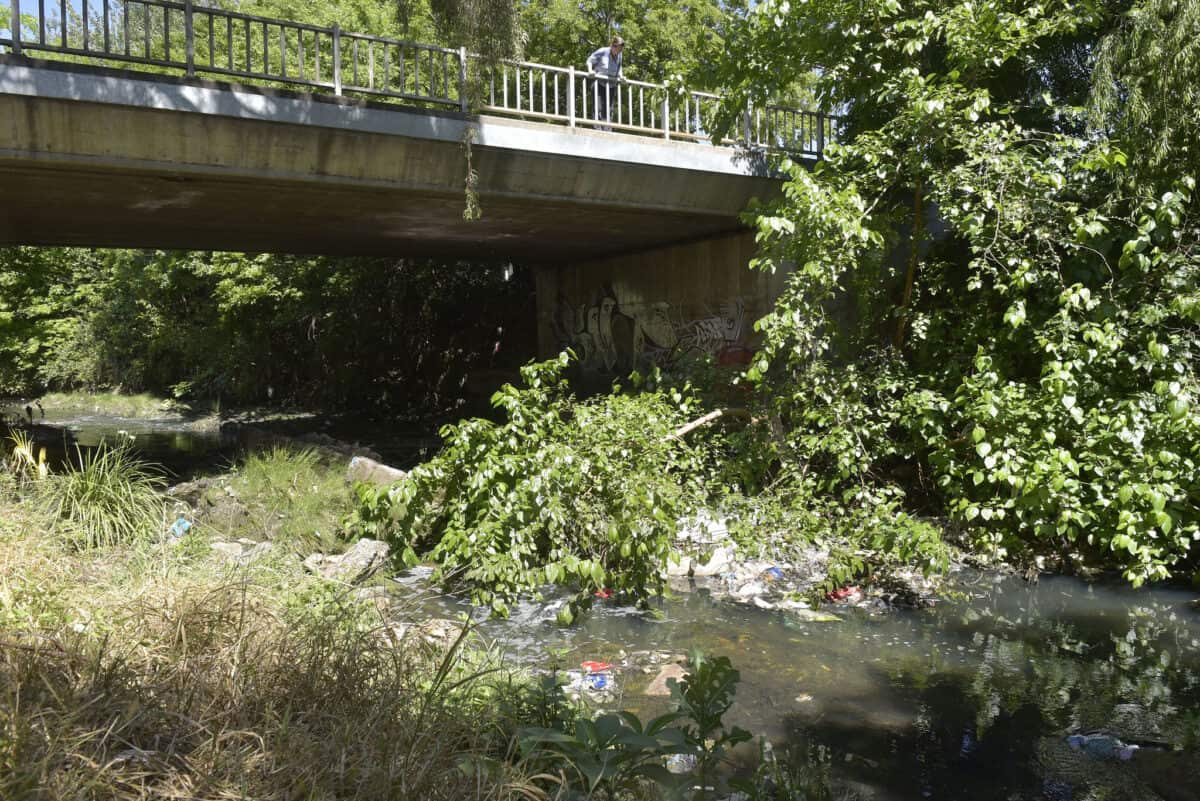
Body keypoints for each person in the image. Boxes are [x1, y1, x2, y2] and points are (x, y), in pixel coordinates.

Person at [586, 36, 624, 129]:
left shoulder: (620, 55)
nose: (618, 52)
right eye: (618, 49)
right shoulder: (603, 51)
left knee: (609, 109)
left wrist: (621, 76)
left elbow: (619, 67)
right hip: (599, 83)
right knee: (598, 108)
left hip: (611, 85)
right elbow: (589, 60)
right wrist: (590, 70)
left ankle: (607, 130)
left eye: (620, 50)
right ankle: (597, 129)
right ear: (613, 46)